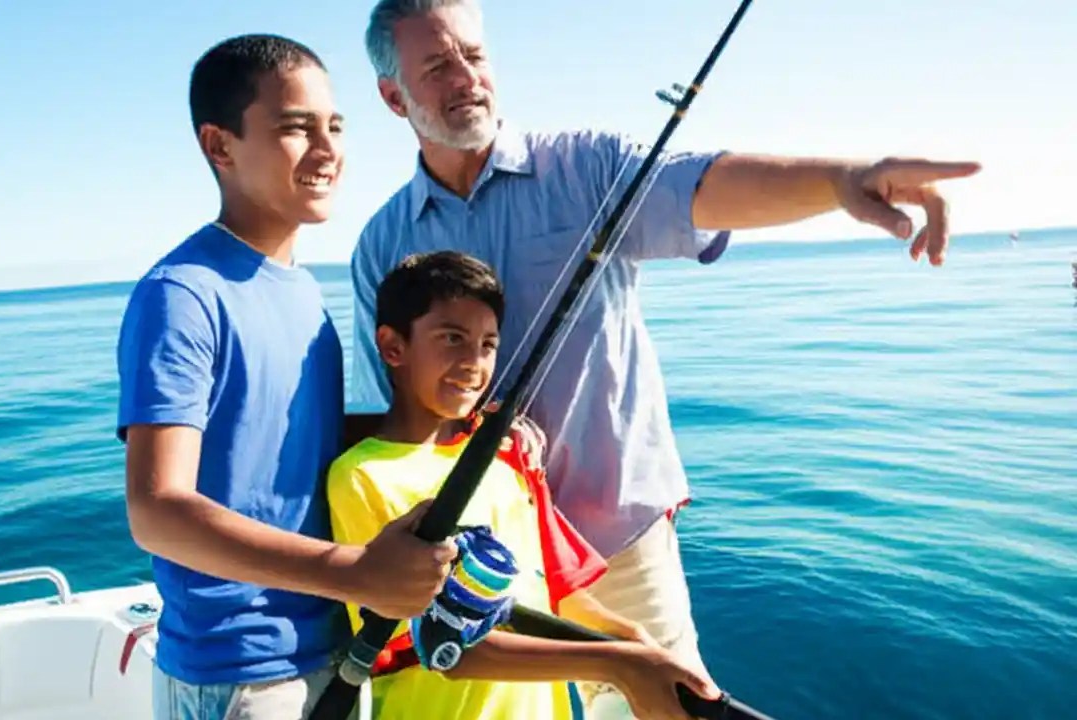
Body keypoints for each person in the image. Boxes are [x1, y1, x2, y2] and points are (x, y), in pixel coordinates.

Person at [349, 0, 982, 696]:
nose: (466, 77)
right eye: (438, 66)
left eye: (474, 55)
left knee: (675, 702)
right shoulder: (381, 244)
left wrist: (839, 181)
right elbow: (393, 418)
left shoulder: (586, 166)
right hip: (482, 559)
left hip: (618, 543)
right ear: (393, 97)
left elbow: (702, 185)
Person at [116, 34, 457, 720]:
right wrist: (354, 572)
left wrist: (457, 425)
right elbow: (156, 510)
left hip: (327, 648)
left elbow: (296, 442)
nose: (328, 150)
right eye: (297, 128)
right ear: (220, 146)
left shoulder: (301, 290)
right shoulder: (182, 294)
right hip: (239, 674)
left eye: (335, 126)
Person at [328, 250, 721, 720]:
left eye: (488, 344)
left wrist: (631, 639)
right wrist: (618, 664)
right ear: (393, 347)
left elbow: (546, 595)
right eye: (452, 338)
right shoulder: (361, 478)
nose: (474, 362)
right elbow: (442, 648)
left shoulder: (502, 464)